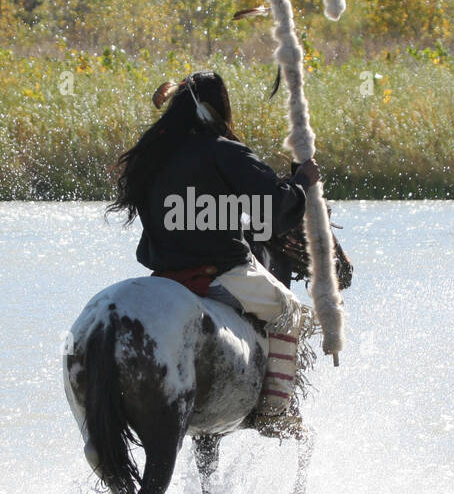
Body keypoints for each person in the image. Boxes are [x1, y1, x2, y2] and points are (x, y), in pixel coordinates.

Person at [108, 70, 320, 421]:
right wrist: (301, 182)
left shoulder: (151, 156)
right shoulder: (223, 152)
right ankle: (275, 411)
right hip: (222, 275)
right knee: (291, 312)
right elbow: (270, 212)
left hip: (163, 278)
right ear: (215, 109)